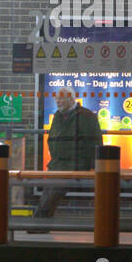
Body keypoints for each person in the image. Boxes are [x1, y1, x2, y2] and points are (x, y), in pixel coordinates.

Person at [32, 87, 104, 224]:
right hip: (58, 164)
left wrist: (93, 165)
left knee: (51, 191)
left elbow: (96, 142)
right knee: (49, 191)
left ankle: (39, 223)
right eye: (56, 98)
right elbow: (52, 138)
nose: (58, 101)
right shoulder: (58, 116)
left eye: (61, 98)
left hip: (75, 165)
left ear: (71, 99)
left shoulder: (87, 116)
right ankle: (40, 222)